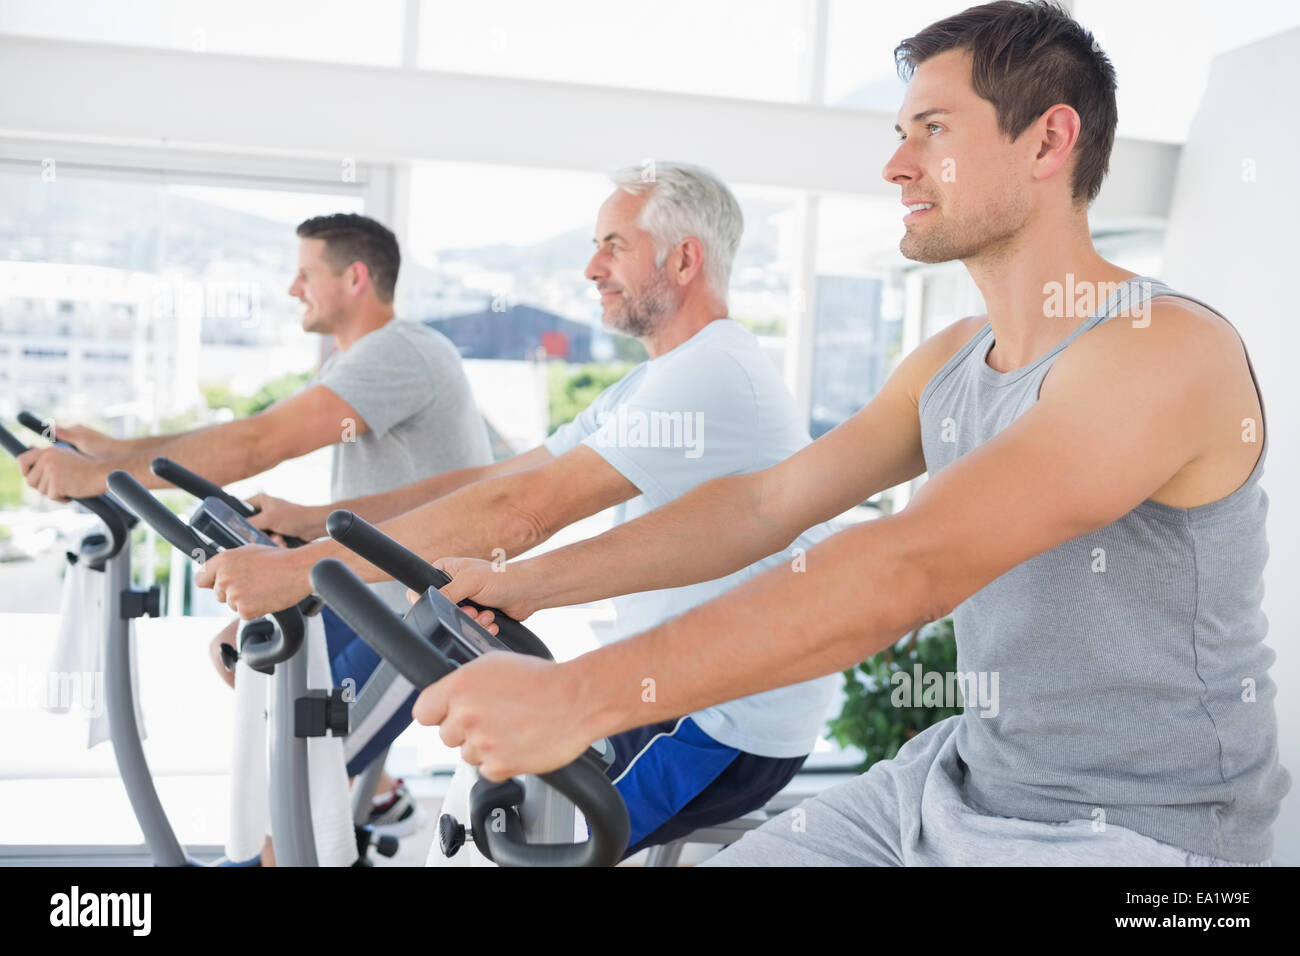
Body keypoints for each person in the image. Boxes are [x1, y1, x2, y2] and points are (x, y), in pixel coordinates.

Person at [415, 1, 1290, 866]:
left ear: (1049, 141)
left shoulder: (1163, 351)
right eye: (901, 132)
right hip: (959, 782)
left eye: (933, 130)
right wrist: (523, 582)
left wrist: (577, 696)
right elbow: (765, 505)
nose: (896, 166)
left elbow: (909, 566)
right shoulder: (949, 360)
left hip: (1150, 836)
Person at [193, 162, 841, 859]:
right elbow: (500, 478)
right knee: (489, 800)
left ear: (685, 258)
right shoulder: (653, 380)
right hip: (658, 691)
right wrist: (317, 523)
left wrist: (298, 573)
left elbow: (521, 514)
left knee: (514, 841)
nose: (592, 267)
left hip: (717, 723)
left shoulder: (711, 372)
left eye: (614, 245)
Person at [19, 212, 493, 841]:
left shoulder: (399, 350)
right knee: (235, 650)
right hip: (366, 586)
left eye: (304, 273)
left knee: (295, 774)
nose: (292, 288)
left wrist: (102, 475)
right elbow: (253, 434)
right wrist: (113, 452)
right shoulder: (372, 357)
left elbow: (256, 443)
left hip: (417, 609)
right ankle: (374, 797)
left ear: (355, 277)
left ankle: (323, 819)